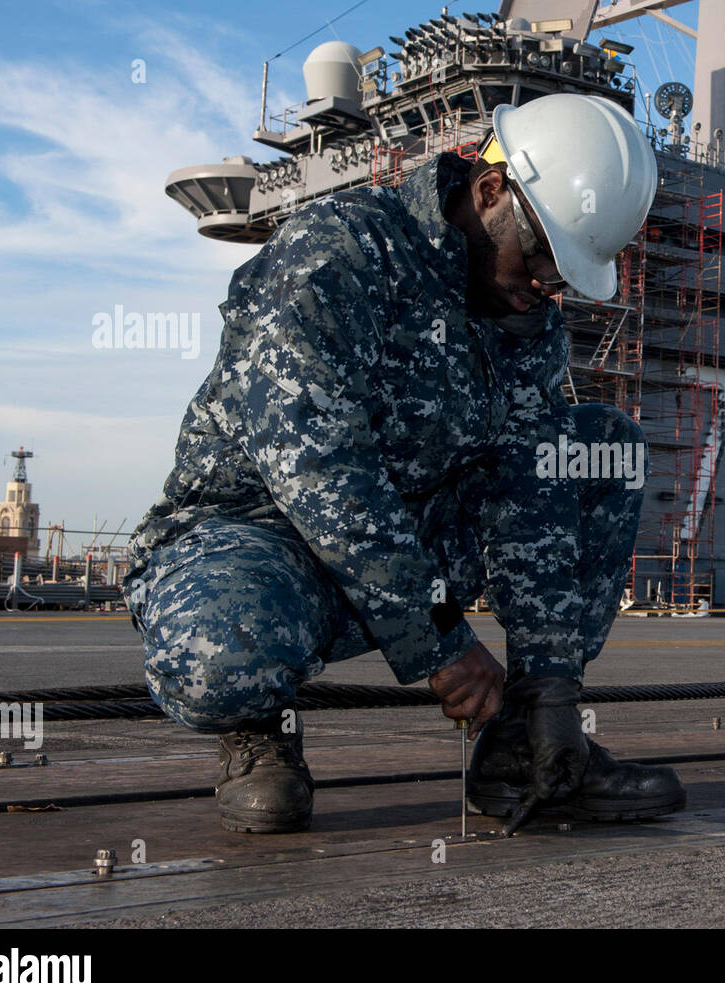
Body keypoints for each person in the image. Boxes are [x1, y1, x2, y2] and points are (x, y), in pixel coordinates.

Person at [122, 93, 684, 835]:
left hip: (417, 537)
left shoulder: (525, 317)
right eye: (546, 256)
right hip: (263, 538)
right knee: (215, 657)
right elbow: (320, 472)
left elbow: (531, 485)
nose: (552, 286)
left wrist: (548, 689)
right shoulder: (335, 253)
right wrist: (441, 637)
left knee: (600, 449)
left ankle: (521, 751)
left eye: (566, 274)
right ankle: (262, 729)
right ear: (490, 193)